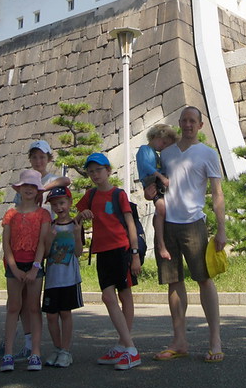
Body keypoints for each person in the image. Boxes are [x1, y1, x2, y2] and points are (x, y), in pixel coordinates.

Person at [147, 106, 226, 363]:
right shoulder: (166, 153)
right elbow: (156, 185)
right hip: (167, 223)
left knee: (203, 279)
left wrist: (221, 229)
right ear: (179, 123)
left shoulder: (207, 153)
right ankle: (179, 340)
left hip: (194, 223)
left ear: (200, 125)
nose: (188, 125)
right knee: (173, 281)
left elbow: (217, 193)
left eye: (193, 121)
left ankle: (215, 339)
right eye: (184, 120)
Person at [0, 139, 71, 361]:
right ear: (30, 159)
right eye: (35, 157)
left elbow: (66, 179)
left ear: (49, 159)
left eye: (43, 157)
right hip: (24, 248)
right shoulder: (24, 184)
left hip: (49, 243)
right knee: (18, 301)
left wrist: (42, 188)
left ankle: (60, 348)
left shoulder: (47, 180)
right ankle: (28, 342)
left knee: (43, 301)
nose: (39, 161)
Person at [76, 152, 142, 371]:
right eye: (91, 171)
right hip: (102, 252)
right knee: (107, 296)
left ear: (108, 171)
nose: (95, 175)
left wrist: (134, 255)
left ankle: (127, 346)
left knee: (125, 295)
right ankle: (126, 345)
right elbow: (75, 217)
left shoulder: (118, 194)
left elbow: (130, 225)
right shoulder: (90, 196)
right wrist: (82, 214)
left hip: (121, 249)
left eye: (99, 170)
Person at [0, 168, 51, 372]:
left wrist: (34, 268)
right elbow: (6, 243)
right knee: (13, 307)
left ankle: (35, 353)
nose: (29, 189)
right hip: (14, 266)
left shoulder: (43, 214)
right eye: (25, 186)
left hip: (34, 266)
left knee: (33, 308)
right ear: (19, 189)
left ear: (38, 190)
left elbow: (42, 243)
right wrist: (13, 267)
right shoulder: (10, 214)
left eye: (33, 186)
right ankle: (8, 352)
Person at [42, 185, 84, 367]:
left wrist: (76, 235)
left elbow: (79, 252)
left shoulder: (75, 225)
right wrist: (49, 238)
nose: (59, 208)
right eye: (54, 205)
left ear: (69, 202)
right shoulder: (49, 226)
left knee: (65, 313)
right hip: (52, 278)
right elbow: (44, 253)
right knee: (51, 316)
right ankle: (57, 348)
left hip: (69, 278)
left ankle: (66, 351)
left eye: (62, 203)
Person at [136, 124, 178, 260]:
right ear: (154, 136)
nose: (163, 146)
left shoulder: (156, 154)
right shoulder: (144, 149)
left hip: (157, 179)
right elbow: (146, 166)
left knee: (163, 208)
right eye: (163, 142)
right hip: (151, 179)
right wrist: (162, 178)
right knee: (161, 208)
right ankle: (161, 244)